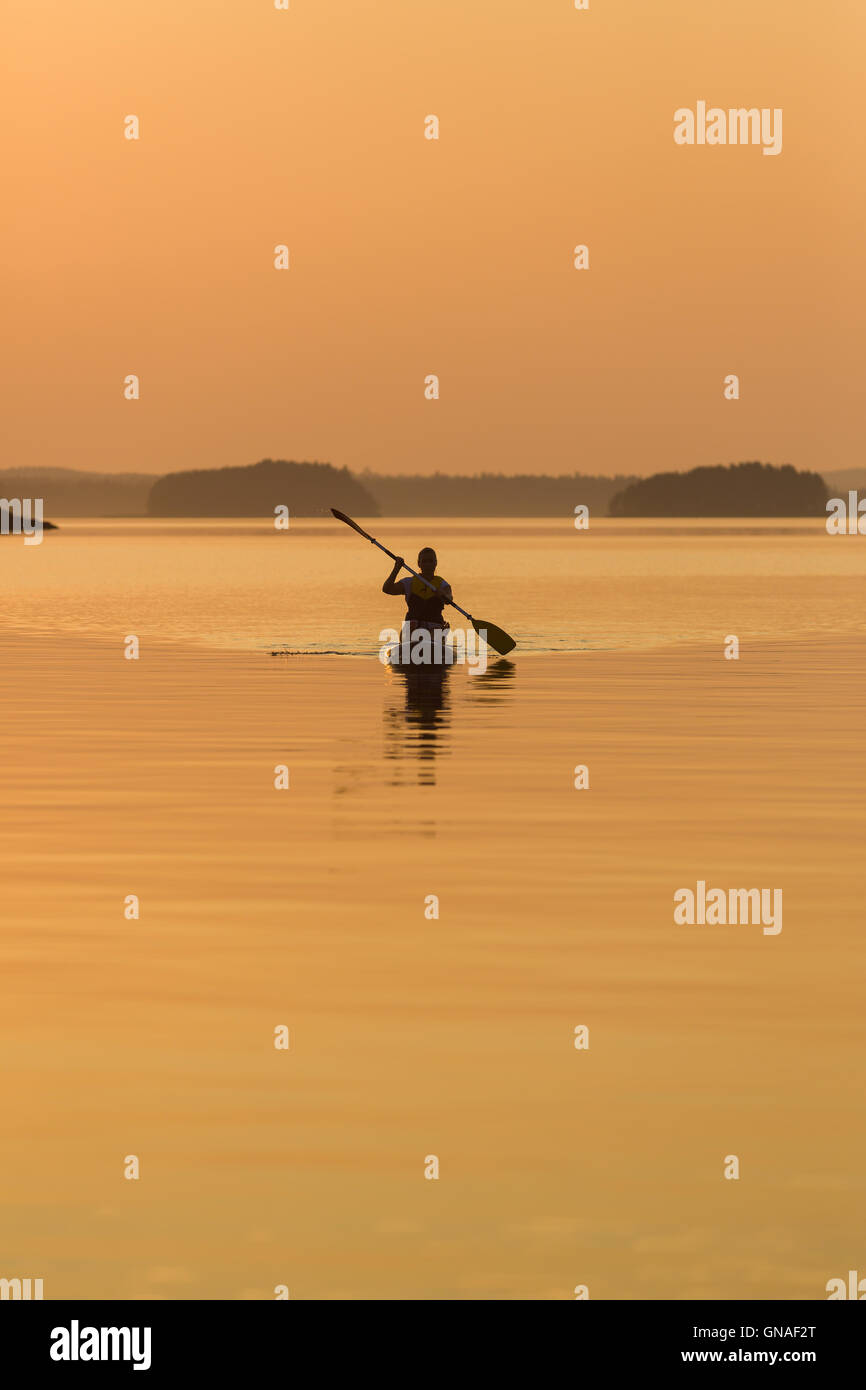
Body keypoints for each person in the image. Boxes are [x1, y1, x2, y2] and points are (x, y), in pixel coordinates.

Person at [382, 547, 452, 637]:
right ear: (419, 563)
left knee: (433, 633)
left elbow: (449, 599)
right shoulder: (408, 583)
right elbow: (387, 589)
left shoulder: (442, 584)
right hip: (412, 629)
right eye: (424, 561)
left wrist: (443, 595)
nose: (427, 564)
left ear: (435, 563)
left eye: (430, 561)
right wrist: (397, 568)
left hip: (434, 628)